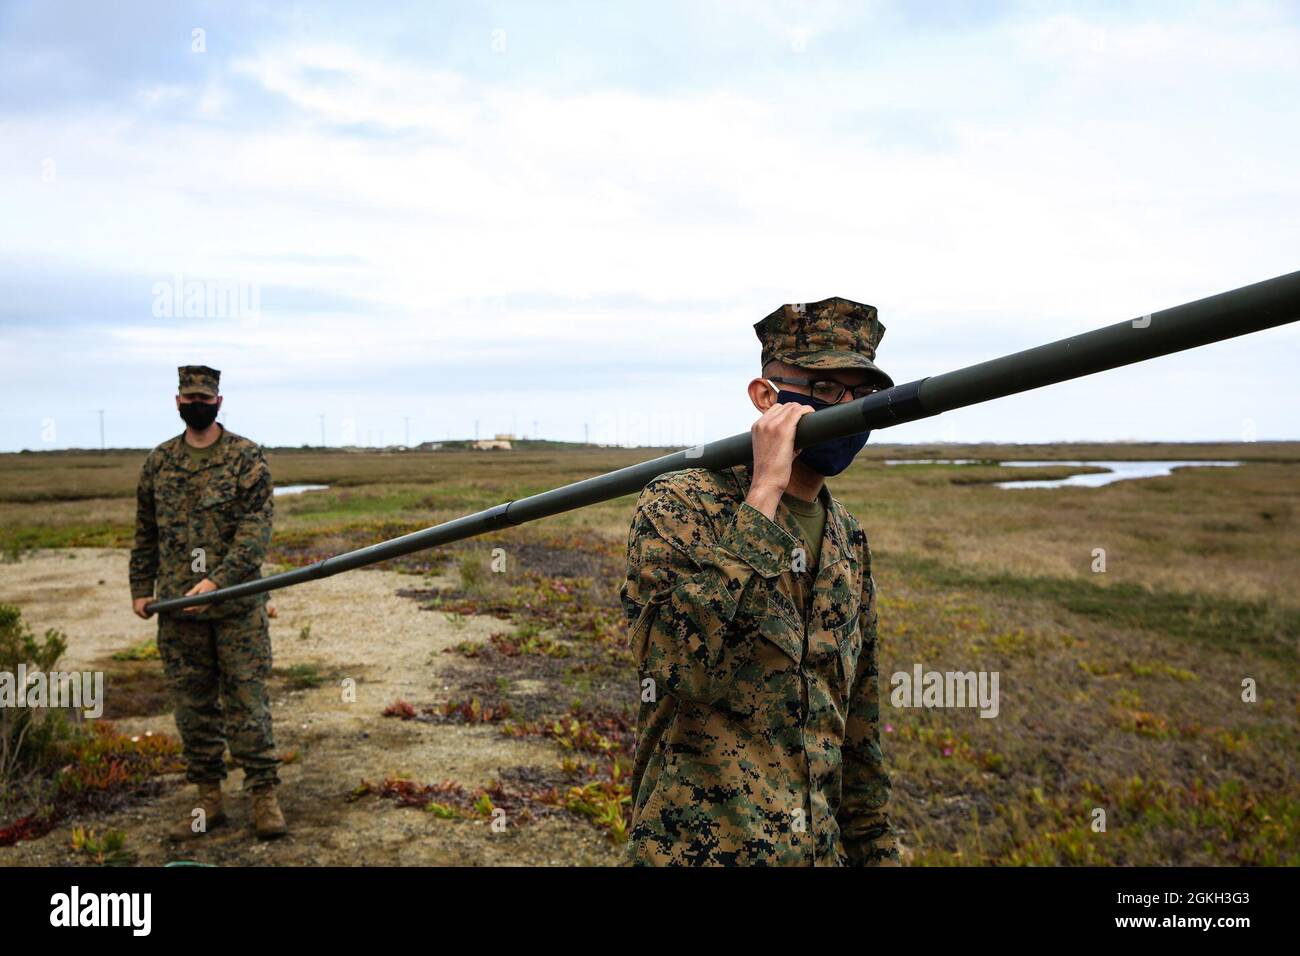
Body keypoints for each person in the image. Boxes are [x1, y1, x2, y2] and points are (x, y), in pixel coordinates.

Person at [620, 297, 900, 866]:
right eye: (825, 391)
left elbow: (858, 735)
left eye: (862, 395)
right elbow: (676, 666)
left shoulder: (848, 539)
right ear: (766, 397)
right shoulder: (680, 504)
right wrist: (764, 493)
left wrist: (876, 854)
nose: (847, 410)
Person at [129, 365, 286, 841]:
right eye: (188, 397)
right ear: (177, 403)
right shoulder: (159, 463)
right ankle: (208, 800)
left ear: (218, 402)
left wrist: (218, 580)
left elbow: (255, 532)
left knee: (248, 703)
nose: (195, 404)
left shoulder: (246, 458)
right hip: (179, 613)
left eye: (204, 397)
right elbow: (145, 531)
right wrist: (140, 586)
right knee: (193, 708)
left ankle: (264, 796)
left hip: (236, 607)